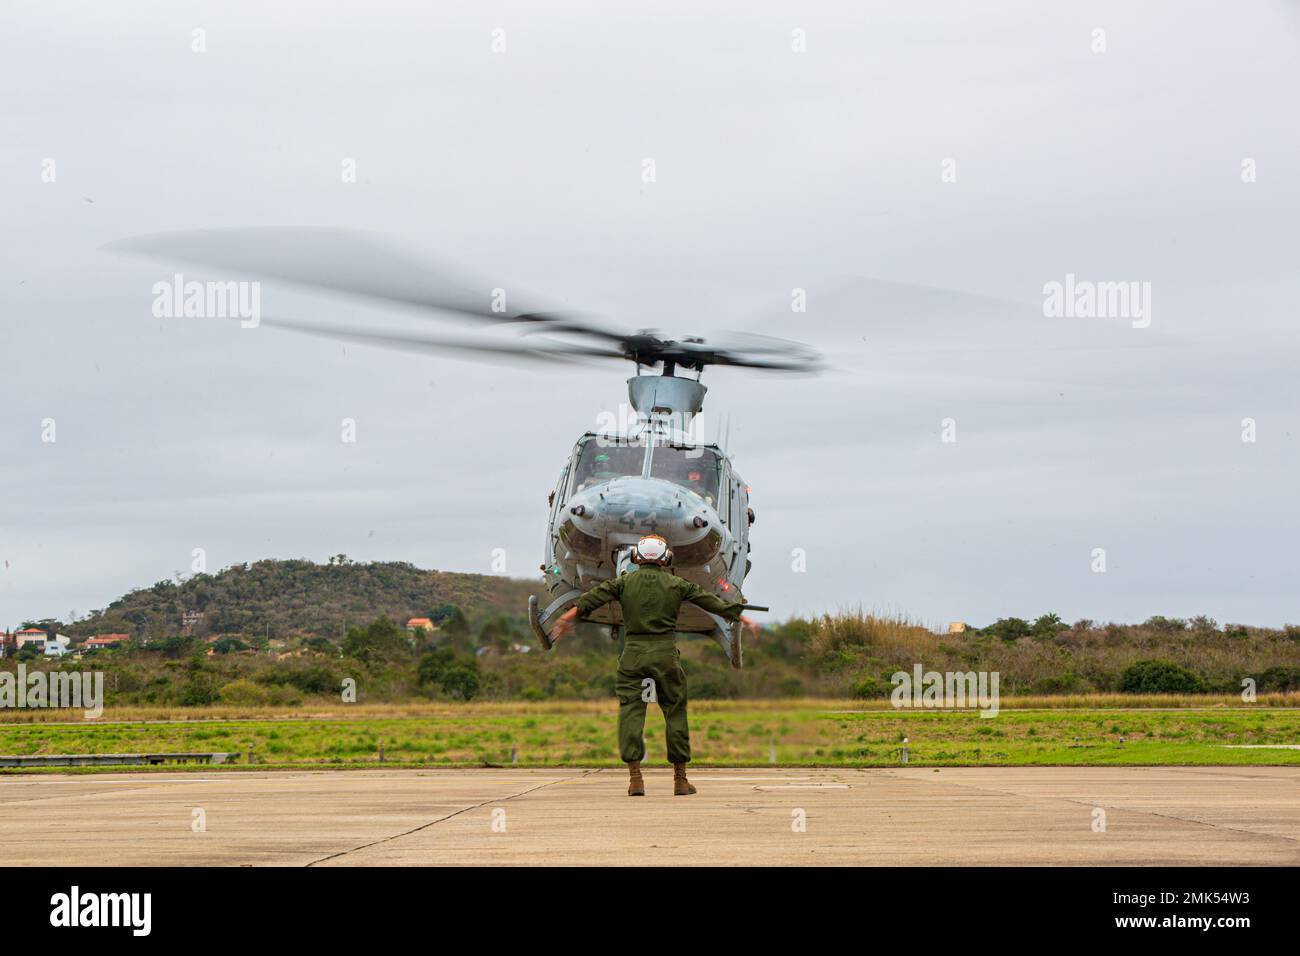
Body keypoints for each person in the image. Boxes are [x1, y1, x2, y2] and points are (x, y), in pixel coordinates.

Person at [550, 534, 757, 797]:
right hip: (665, 654)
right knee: (675, 712)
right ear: (665, 558)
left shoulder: (623, 583)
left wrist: (565, 620)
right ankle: (680, 781)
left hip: (633, 654)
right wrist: (744, 619)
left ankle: (635, 779)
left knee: (631, 712)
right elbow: (712, 603)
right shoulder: (677, 584)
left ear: (636, 557)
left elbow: (590, 601)